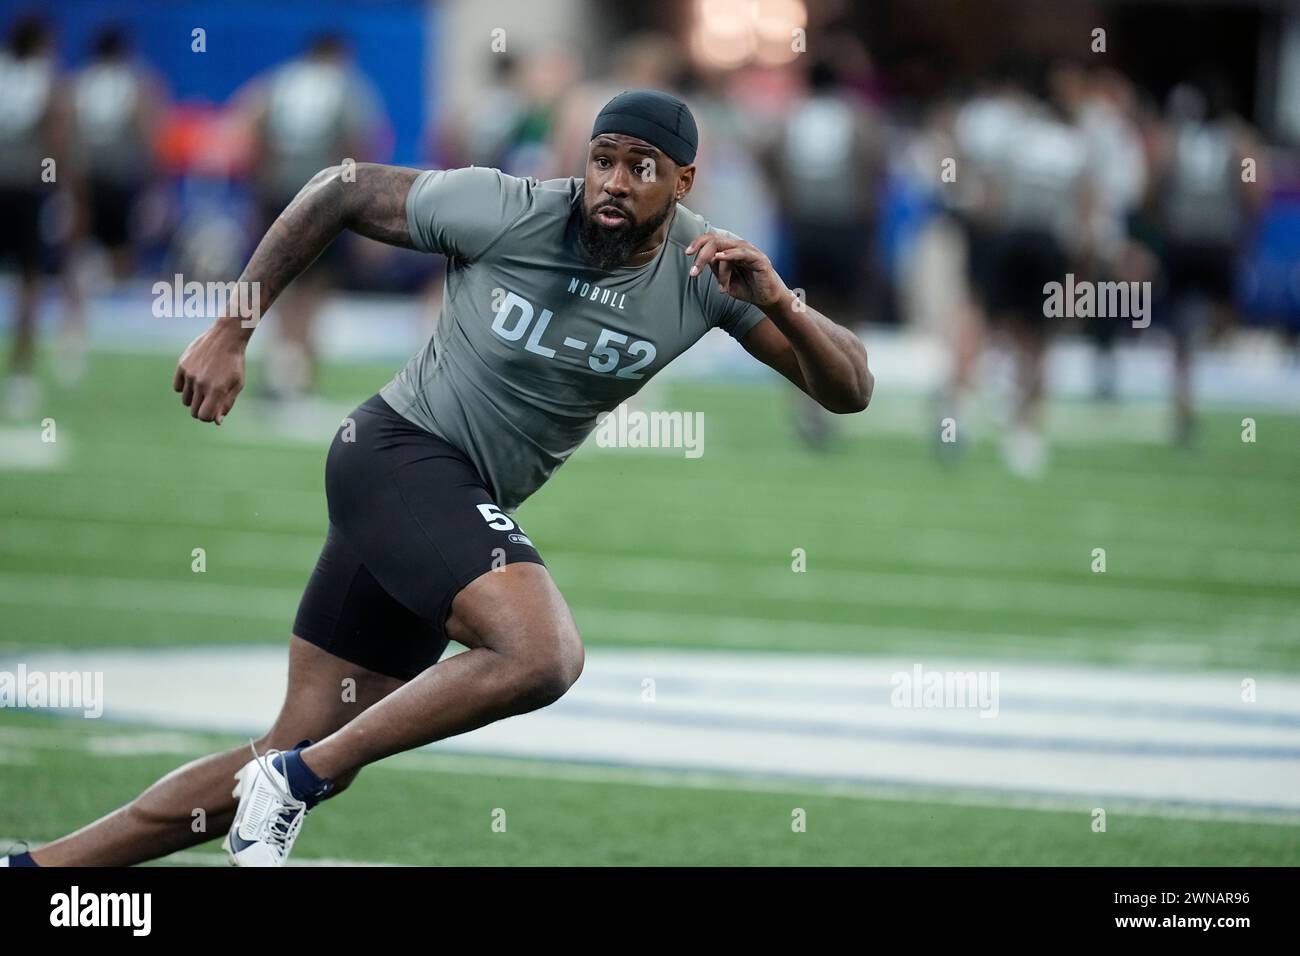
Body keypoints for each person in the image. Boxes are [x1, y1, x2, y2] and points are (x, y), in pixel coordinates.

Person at [3, 90, 872, 868]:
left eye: (638, 168)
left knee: (295, 741)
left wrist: (780, 302)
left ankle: (44, 869)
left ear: (682, 180)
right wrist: (233, 328)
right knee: (541, 654)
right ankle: (297, 781)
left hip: (448, 504)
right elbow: (339, 187)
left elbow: (850, 390)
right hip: (396, 455)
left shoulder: (708, 274)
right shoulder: (508, 207)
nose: (611, 182)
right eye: (601, 158)